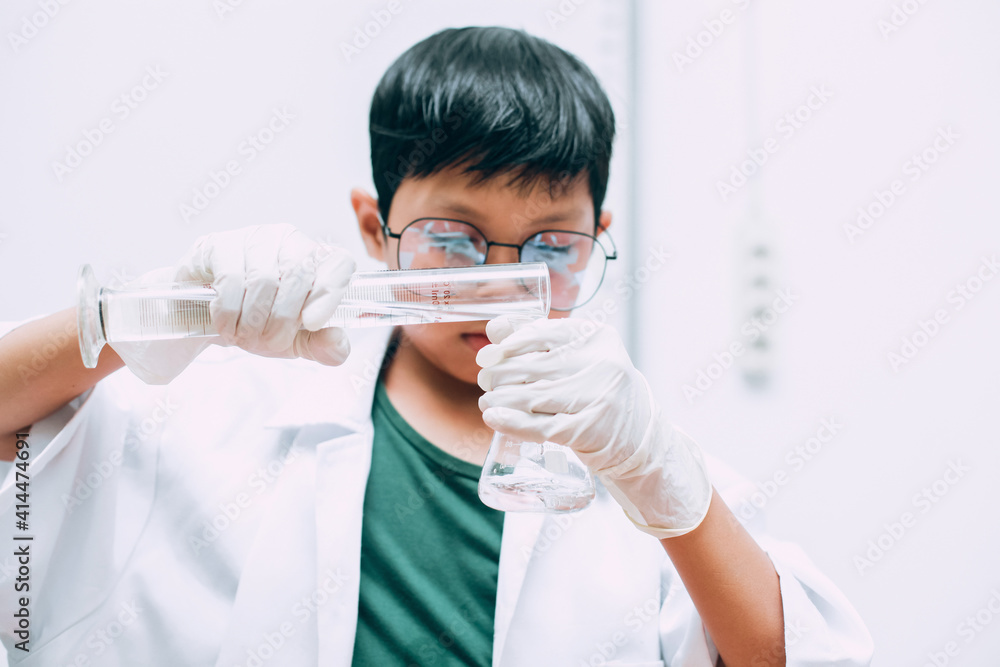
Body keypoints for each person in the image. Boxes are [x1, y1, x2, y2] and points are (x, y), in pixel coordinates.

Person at [0, 27, 873, 666]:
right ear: (374, 228)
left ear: (598, 235)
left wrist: (668, 481)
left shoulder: (637, 472)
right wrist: (141, 317)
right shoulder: (220, 409)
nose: (498, 286)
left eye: (548, 250)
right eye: (452, 241)